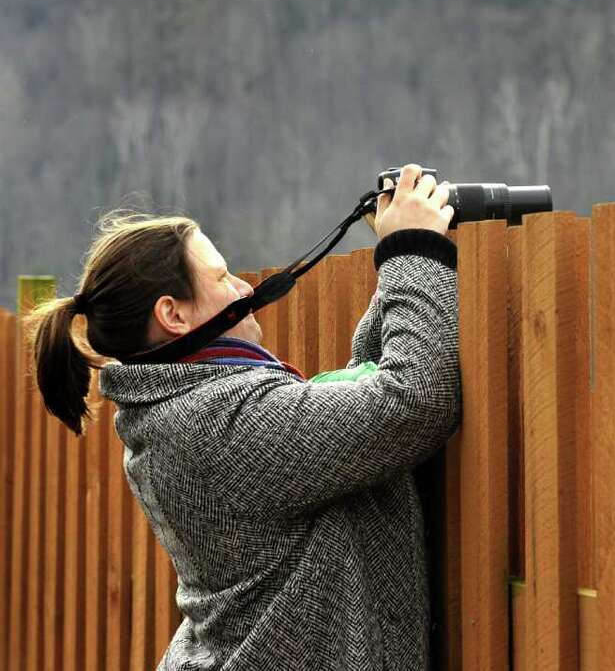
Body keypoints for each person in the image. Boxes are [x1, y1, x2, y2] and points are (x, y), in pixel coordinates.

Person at [26, 163, 462, 670]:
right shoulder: (216, 423)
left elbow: (354, 420)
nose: (242, 286)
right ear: (174, 315)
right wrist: (412, 250)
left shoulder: (183, 411)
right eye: (219, 276)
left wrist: (401, 264)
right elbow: (412, 403)